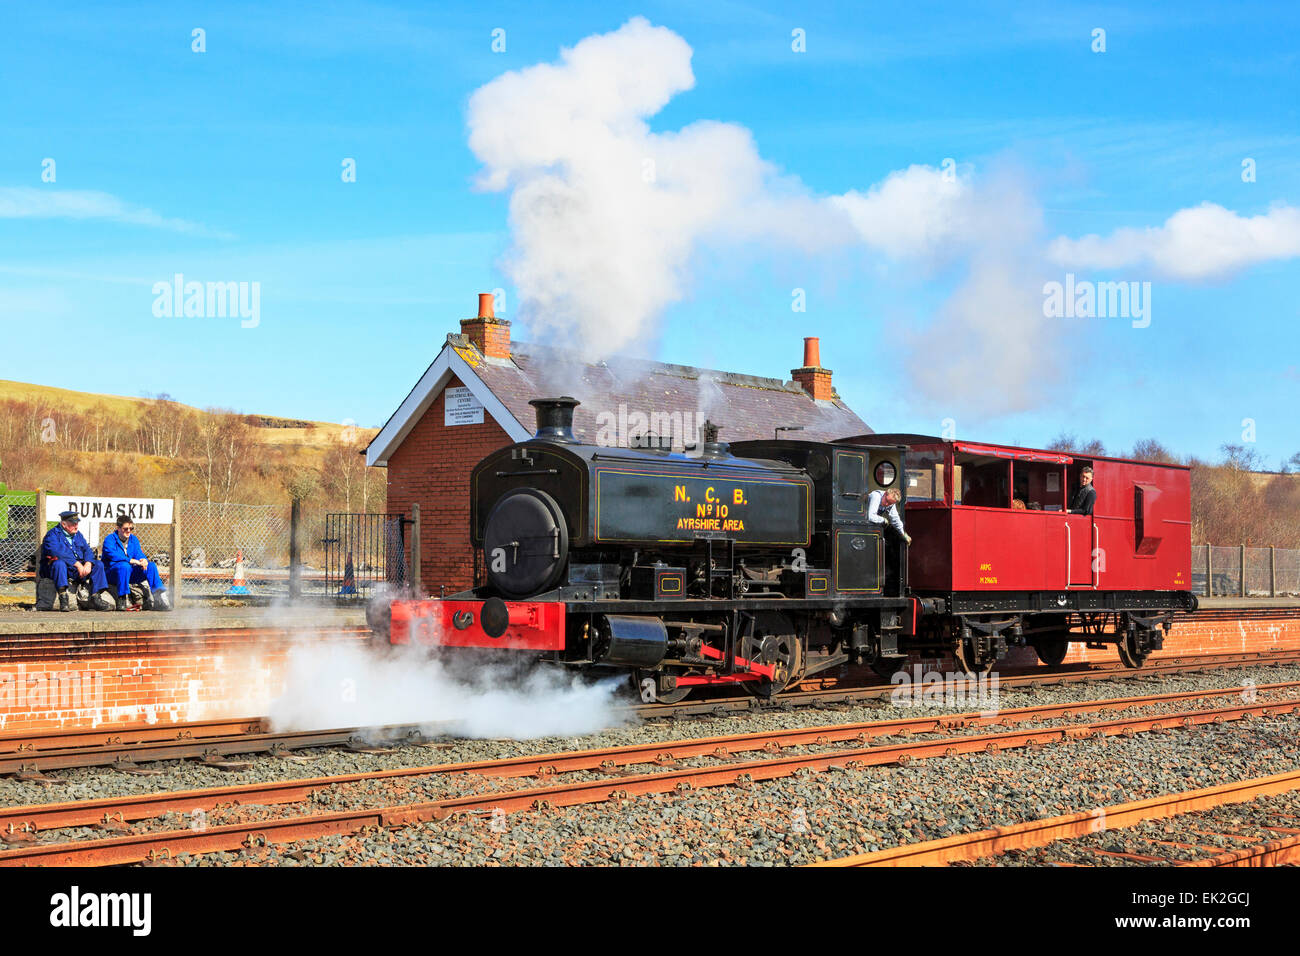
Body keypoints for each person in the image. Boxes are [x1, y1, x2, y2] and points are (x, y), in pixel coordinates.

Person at [39, 510, 114, 612]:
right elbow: (56, 552)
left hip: (75, 569)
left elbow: (87, 549)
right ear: (64, 524)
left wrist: (88, 563)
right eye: (73, 523)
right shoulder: (52, 535)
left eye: (77, 523)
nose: (76, 525)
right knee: (59, 564)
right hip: (59, 569)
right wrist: (77, 564)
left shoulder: (77, 535)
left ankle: (96, 597)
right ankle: (63, 598)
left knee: (98, 564)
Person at [102, 515, 170, 611]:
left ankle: (159, 597)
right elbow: (113, 555)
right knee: (124, 566)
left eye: (131, 528)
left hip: (129, 573)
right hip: (113, 573)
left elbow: (139, 553)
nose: (128, 531)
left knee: (151, 566)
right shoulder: (110, 539)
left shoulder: (133, 539)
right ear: (118, 528)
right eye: (125, 528)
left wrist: (143, 560)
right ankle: (122, 599)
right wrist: (130, 560)